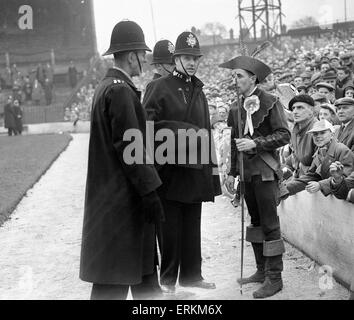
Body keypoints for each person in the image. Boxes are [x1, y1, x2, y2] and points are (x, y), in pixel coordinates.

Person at [79, 20, 164, 300]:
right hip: (123, 204)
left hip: (112, 200)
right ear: (131, 56)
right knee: (114, 283)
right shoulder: (120, 90)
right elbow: (132, 149)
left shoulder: (107, 86)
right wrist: (150, 192)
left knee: (142, 278)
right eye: (142, 54)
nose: (145, 59)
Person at [143, 31, 221, 294]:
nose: (191, 62)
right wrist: (182, 133)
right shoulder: (158, 87)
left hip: (195, 171)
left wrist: (211, 175)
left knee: (192, 225)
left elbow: (206, 132)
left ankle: (191, 275)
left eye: (195, 58)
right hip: (170, 170)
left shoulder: (198, 89)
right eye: (186, 57)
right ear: (176, 59)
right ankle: (167, 279)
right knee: (170, 228)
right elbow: (147, 129)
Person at [221, 56, 291, 299]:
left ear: (253, 78)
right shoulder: (234, 107)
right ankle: (261, 270)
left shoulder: (271, 102)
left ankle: (275, 278)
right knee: (255, 223)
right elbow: (233, 142)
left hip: (265, 172)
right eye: (234, 76)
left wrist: (256, 142)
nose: (235, 80)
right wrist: (231, 172)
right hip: (246, 175)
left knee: (270, 226)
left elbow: (284, 135)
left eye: (239, 75)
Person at [284, 120, 354, 197]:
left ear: (332, 134)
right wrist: (286, 188)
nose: (318, 136)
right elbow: (311, 176)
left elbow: (346, 178)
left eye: (322, 133)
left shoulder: (342, 150)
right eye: (315, 134)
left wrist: (321, 185)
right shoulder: (319, 152)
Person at [284, 95, 318, 178]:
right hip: (298, 175)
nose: (295, 112)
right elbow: (294, 156)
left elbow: (317, 167)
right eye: (293, 108)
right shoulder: (295, 130)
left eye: (300, 108)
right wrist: (284, 169)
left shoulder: (317, 130)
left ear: (311, 110)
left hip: (312, 179)